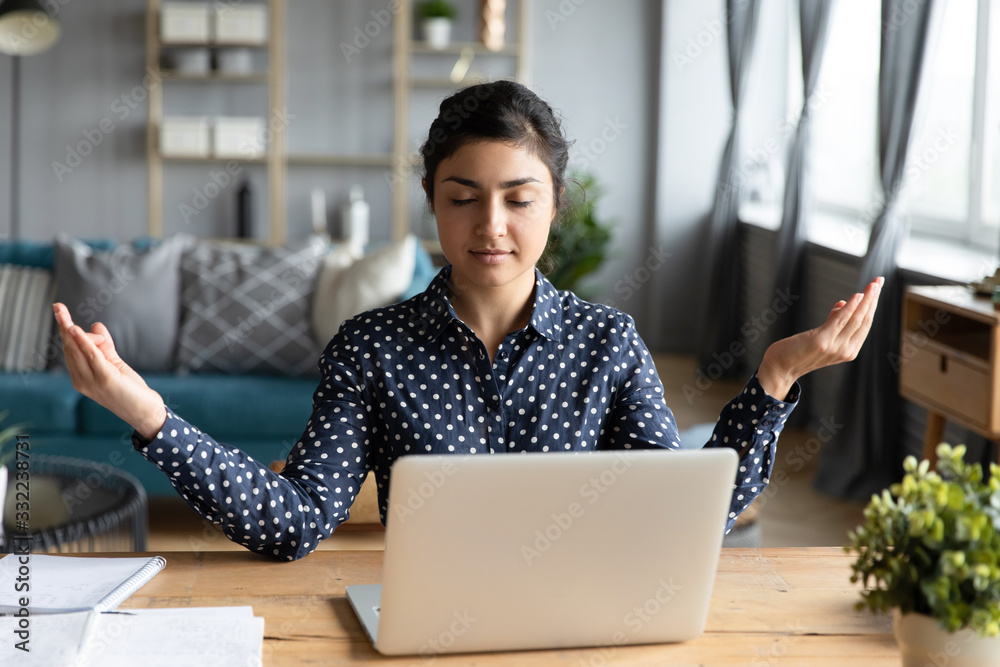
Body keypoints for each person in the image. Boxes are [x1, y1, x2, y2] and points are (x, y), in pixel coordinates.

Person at [54, 81, 881, 562]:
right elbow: (294, 524)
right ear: (432, 206)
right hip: (421, 629)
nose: (491, 225)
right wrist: (148, 415)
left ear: (554, 206)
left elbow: (681, 514)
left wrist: (774, 379)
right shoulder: (370, 349)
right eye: (464, 198)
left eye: (519, 199)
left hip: (581, 622)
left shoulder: (609, 343)